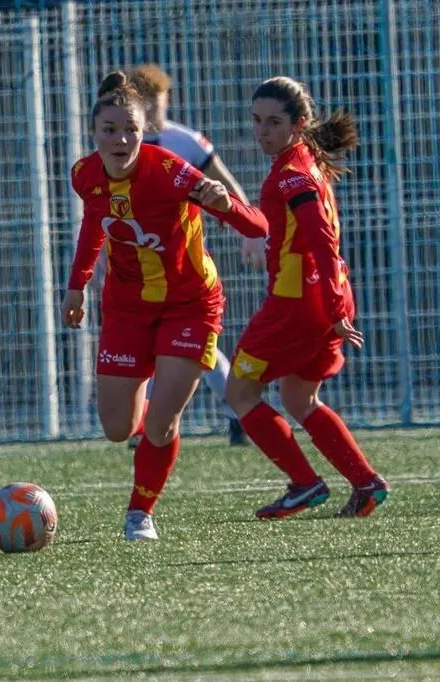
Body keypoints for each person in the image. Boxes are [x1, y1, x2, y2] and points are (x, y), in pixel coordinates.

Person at [62, 71, 267, 540]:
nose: (120, 138)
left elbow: (256, 225)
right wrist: (78, 285)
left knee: (160, 425)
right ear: (94, 133)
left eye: (130, 129)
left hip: (190, 305)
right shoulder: (85, 175)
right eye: (109, 130)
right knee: (117, 429)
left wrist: (226, 203)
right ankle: (156, 404)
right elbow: (95, 224)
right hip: (127, 310)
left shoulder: (170, 169)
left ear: (144, 130)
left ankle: (140, 513)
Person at [224, 76, 389, 519]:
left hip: (298, 306)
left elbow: (319, 240)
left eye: (274, 122)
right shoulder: (302, 161)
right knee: (300, 399)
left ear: (298, 124)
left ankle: (303, 484)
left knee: (240, 393)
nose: (262, 132)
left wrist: (333, 311)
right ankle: (366, 483)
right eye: (257, 121)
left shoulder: (292, 175)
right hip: (324, 297)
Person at [93, 64, 263, 447]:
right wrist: (101, 263)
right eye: (147, 105)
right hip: (134, 274)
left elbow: (224, 184)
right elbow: (102, 214)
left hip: (180, 268)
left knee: (195, 350)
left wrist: (247, 229)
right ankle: (145, 424)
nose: (155, 114)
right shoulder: (117, 144)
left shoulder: (184, 143)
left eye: (160, 104)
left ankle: (236, 412)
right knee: (148, 352)